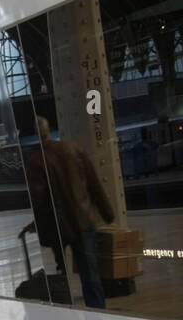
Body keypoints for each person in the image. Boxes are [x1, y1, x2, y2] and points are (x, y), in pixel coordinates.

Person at [24, 116, 115, 309]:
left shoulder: (35, 161)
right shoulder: (73, 149)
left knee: (61, 272)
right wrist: (107, 213)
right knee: (90, 272)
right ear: (49, 130)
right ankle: (97, 316)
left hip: (58, 226)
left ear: (36, 134)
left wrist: (35, 225)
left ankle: (67, 313)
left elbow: (38, 200)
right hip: (84, 220)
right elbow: (93, 183)